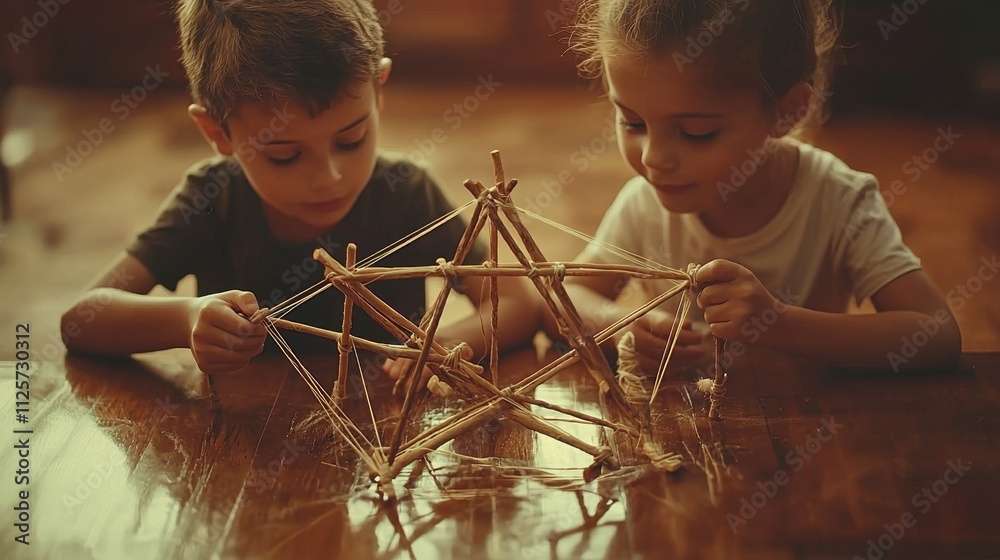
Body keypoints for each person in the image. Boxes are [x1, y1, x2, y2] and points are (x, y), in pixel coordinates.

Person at [61, 0, 537, 377]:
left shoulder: (405, 192)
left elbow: (516, 302)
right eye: (284, 154)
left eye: (351, 139)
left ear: (379, 90)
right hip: (242, 456)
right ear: (217, 134)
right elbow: (81, 318)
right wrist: (185, 319)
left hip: (385, 443)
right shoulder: (210, 202)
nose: (328, 175)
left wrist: (443, 346)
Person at [543, 0, 961, 373]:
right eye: (632, 122)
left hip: (810, 432)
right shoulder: (643, 203)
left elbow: (937, 338)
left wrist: (779, 323)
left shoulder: (840, 201)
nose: (653, 157)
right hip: (687, 436)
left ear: (787, 111)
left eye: (696, 132)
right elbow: (565, 296)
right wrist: (620, 326)